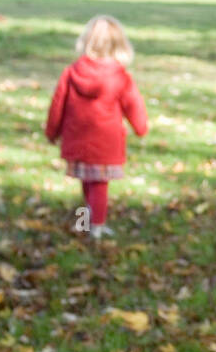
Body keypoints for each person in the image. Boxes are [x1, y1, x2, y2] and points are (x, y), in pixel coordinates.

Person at [45, 14, 148, 240]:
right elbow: (134, 104)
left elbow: (57, 105)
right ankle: (97, 227)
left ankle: (88, 222)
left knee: (88, 183)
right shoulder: (120, 76)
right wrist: (141, 127)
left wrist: (52, 131)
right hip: (105, 143)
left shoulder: (72, 72)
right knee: (99, 186)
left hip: (78, 139)